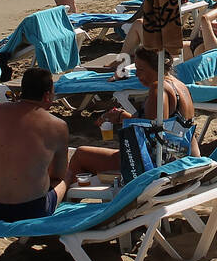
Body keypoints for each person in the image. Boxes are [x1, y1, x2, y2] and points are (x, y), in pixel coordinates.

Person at [64, 48, 198, 185]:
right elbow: (163, 125)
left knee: (81, 155)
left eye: (141, 69)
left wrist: (124, 118)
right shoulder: (179, 85)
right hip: (182, 157)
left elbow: (152, 133)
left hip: (158, 165)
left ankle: (64, 201)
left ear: (156, 67)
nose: (137, 74)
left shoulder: (159, 88)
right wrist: (122, 116)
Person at [0, 68, 70, 221]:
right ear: (47, 95)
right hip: (29, 211)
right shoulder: (58, 126)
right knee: (67, 176)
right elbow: (58, 175)